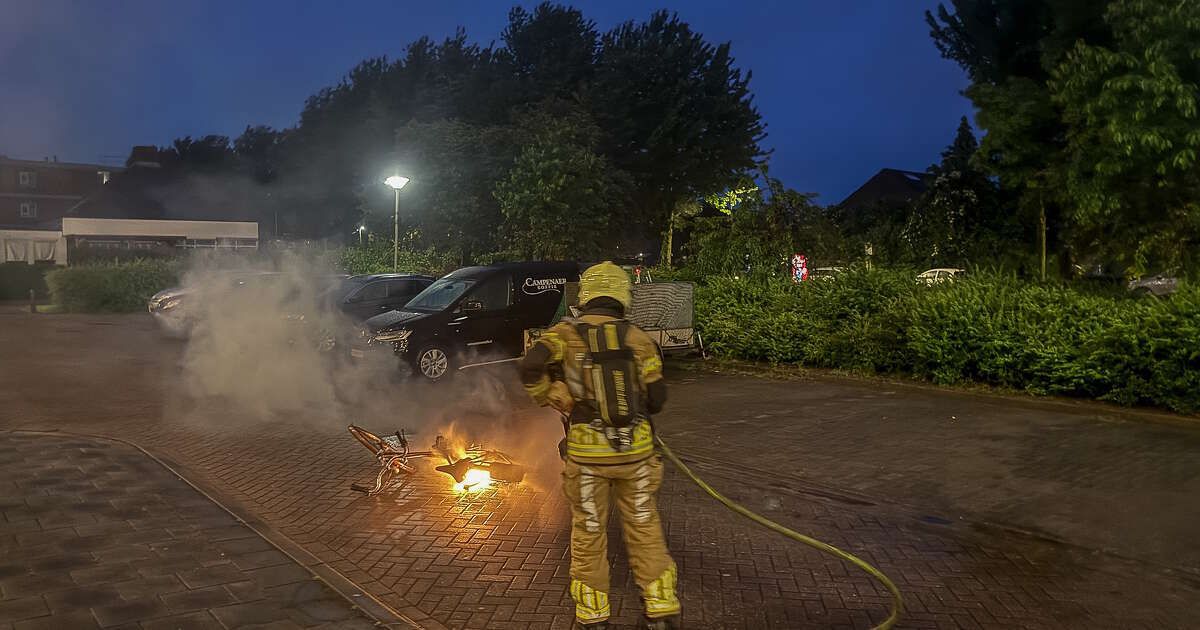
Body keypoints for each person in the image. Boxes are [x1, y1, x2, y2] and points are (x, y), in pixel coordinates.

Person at [519, 261, 680, 630]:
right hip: (637, 456)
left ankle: (593, 618)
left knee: (589, 534)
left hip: (588, 458)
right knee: (645, 529)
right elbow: (657, 399)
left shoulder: (565, 334)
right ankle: (661, 611)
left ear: (586, 295)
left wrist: (550, 394)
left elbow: (530, 367)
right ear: (623, 296)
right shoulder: (639, 338)